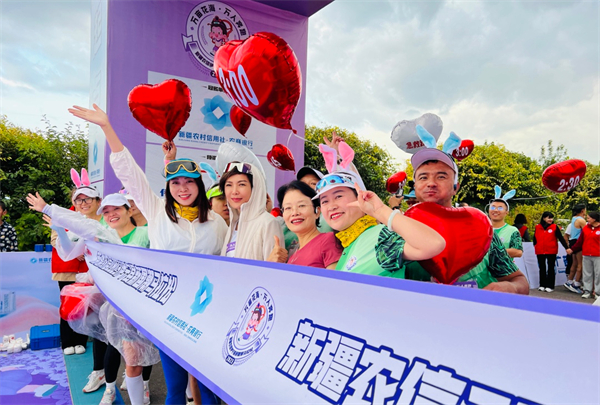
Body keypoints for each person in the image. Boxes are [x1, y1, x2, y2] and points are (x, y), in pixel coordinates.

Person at [69, 105, 227, 405]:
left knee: (207, 390)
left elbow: (225, 265)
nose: (183, 188)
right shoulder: (157, 213)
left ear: (199, 185)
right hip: (169, 312)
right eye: (175, 183)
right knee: (175, 387)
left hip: (206, 314)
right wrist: (107, 127)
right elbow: (130, 175)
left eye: (189, 182)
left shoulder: (217, 223)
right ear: (168, 187)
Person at [27, 192, 156, 405]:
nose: (112, 214)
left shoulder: (147, 234)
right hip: (115, 307)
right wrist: (59, 228)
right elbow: (69, 251)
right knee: (123, 355)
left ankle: (146, 387)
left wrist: (49, 209)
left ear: (129, 210)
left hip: (143, 307)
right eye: (107, 211)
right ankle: (114, 389)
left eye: (117, 209)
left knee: (139, 359)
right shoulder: (102, 236)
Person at [404, 126, 529, 294]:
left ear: (456, 187)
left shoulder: (481, 230)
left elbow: (519, 281)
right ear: (416, 186)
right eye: (423, 177)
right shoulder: (398, 230)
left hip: (477, 309)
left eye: (441, 176)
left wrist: (510, 287)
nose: (431, 183)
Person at [314, 142, 445, 277]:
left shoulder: (381, 238)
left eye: (338, 196)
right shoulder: (346, 245)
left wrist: (380, 211)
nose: (332, 206)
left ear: (360, 197)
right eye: (325, 201)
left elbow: (434, 244)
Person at [219, 161, 284, 260]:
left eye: (241, 184)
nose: (234, 191)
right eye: (229, 185)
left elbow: (274, 267)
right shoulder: (234, 224)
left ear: (255, 188)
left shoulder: (268, 223)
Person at [271, 180, 342, 268]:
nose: (294, 213)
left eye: (301, 205)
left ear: (317, 212)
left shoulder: (329, 240)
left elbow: (335, 276)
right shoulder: (292, 256)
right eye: (288, 208)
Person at [533, 212, 570, 293]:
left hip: (551, 250)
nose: (550, 219)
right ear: (544, 218)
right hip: (540, 250)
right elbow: (534, 238)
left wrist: (566, 248)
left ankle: (550, 285)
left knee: (551, 268)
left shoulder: (554, 227)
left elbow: (560, 238)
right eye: (548, 218)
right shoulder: (537, 227)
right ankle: (542, 284)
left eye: (551, 218)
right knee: (542, 268)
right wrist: (535, 245)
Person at [571, 211, 600, 299]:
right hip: (586, 254)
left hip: (598, 255)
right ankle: (587, 291)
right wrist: (572, 249)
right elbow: (580, 241)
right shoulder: (586, 228)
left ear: (594, 219)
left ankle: (598, 293)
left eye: (588, 218)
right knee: (587, 273)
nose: (587, 220)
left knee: (598, 274)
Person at [488, 187, 523, 258]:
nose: (495, 210)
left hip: (502, 265)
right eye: (493, 207)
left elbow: (518, 252)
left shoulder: (512, 231)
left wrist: (493, 252)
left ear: (506, 212)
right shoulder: (481, 229)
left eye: (500, 208)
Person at [564, 204, 586, 294]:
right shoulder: (581, 220)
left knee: (574, 263)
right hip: (578, 242)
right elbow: (586, 232)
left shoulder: (573, 219)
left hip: (572, 241)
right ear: (582, 210)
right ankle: (576, 284)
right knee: (580, 264)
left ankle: (569, 281)